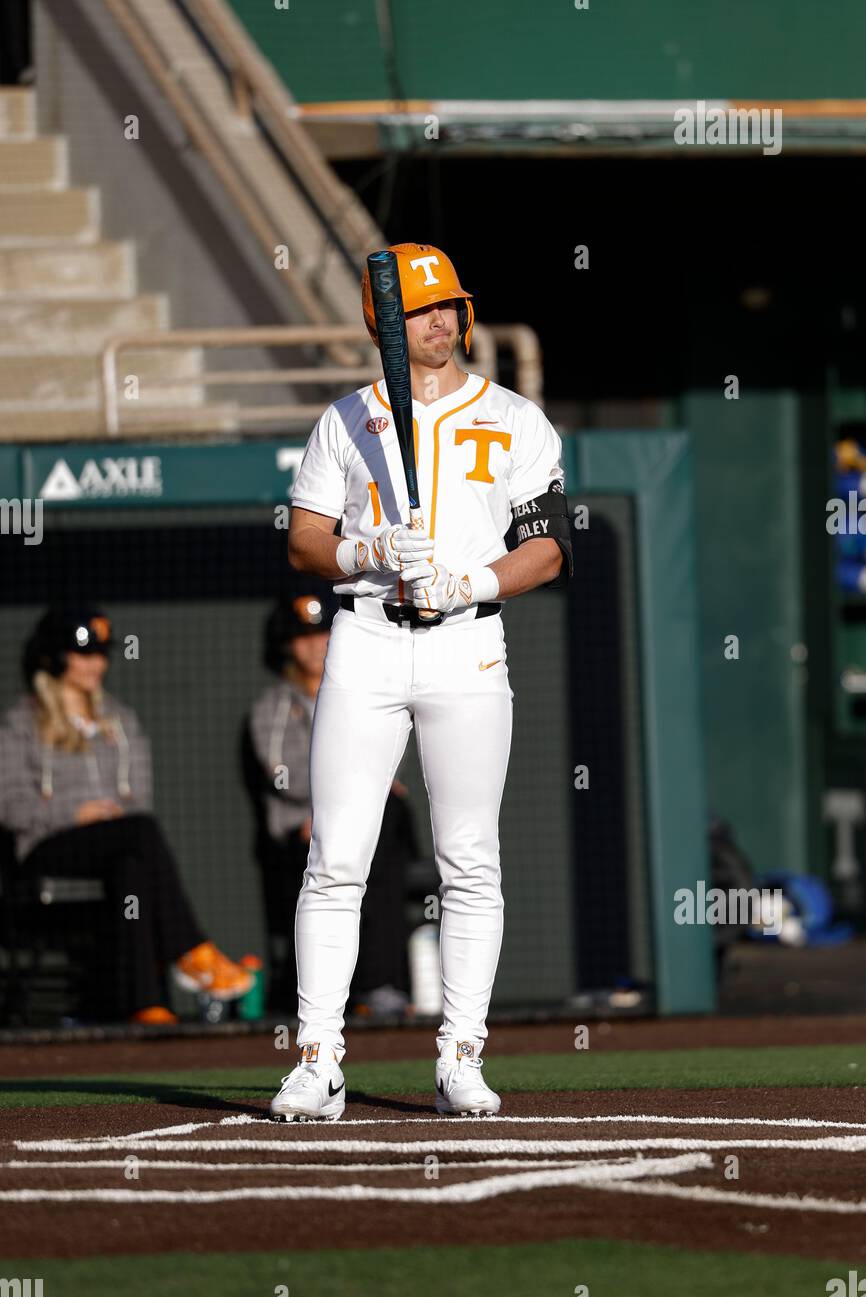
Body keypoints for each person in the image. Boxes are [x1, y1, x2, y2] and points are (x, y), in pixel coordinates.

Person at [269, 242, 572, 1121]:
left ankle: (460, 1056)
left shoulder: (516, 417)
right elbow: (303, 539)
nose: (434, 323)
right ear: (383, 325)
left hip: (467, 644)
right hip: (364, 639)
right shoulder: (346, 420)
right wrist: (361, 551)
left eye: (446, 308)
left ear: (464, 316)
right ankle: (318, 1057)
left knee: (470, 861)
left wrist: (472, 580)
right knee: (335, 858)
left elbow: (548, 548)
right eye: (415, 312)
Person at [0, 607, 253, 1024]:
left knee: (132, 862)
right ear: (54, 658)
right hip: (46, 848)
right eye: (82, 654)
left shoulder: (120, 720)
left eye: (100, 654)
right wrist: (76, 813)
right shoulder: (20, 722)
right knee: (137, 835)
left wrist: (110, 822)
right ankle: (190, 950)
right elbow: (11, 807)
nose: (94, 664)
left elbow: (138, 802)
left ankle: (144, 1004)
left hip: (117, 844)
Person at [247, 592, 418, 1015]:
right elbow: (283, 775)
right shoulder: (273, 706)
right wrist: (355, 787)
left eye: (322, 633)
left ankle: (382, 987)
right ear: (286, 645)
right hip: (299, 831)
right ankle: (335, 1000)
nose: (315, 644)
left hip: (367, 817)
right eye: (302, 637)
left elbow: (393, 752)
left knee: (389, 825)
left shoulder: (359, 691)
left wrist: (366, 785)